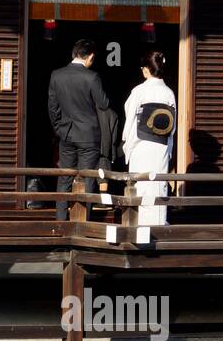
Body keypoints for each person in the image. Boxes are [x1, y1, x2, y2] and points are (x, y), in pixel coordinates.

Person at [48, 38, 110, 222]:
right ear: (90, 56)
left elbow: (52, 108)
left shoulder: (56, 75)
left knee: (65, 177)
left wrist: (59, 129)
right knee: (87, 179)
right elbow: (104, 103)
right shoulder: (92, 77)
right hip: (88, 136)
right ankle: (82, 222)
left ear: (73, 54)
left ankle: (60, 221)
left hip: (66, 134)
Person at [122, 49, 177, 226]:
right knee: (157, 185)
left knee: (141, 185)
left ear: (146, 69)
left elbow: (130, 118)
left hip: (141, 144)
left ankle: (139, 225)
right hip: (160, 145)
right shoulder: (169, 93)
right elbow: (172, 126)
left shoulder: (139, 91)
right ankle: (159, 224)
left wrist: (127, 144)